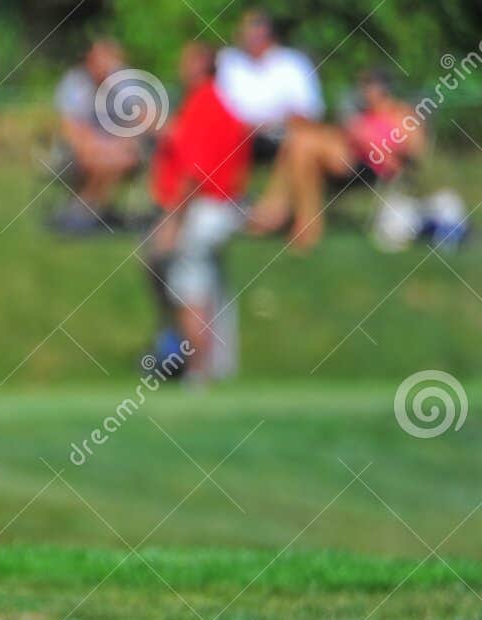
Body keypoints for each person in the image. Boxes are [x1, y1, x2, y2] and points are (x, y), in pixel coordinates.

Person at [144, 42, 255, 386]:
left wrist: (173, 221)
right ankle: (218, 365)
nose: (180, 67)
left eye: (186, 60)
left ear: (200, 66)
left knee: (189, 289)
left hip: (202, 208)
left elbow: (194, 174)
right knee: (209, 289)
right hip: (223, 208)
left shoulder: (202, 104)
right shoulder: (218, 104)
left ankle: (196, 372)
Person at [248, 70, 425, 250]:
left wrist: (367, 138)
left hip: (370, 165)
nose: (366, 92)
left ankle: (278, 215)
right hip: (346, 155)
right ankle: (294, 221)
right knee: (299, 144)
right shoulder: (363, 114)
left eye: (371, 87)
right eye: (364, 87)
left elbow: (411, 154)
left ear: (384, 89)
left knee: (302, 144)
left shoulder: (402, 115)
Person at [52, 38, 143, 228]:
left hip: (114, 149)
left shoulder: (124, 83)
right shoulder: (75, 84)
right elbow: (74, 134)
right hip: (80, 149)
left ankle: (84, 211)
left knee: (120, 159)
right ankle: (88, 210)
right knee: (102, 160)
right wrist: (106, 149)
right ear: (90, 61)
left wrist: (123, 144)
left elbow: (141, 120)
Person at [214, 9, 323, 152]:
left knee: (305, 144)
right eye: (248, 26)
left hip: (285, 137)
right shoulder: (229, 62)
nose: (253, 33)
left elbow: (308, 112)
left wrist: (273, 125)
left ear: (269, 31)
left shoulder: (293, 62)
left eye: (257, 25)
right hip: (237, 139)